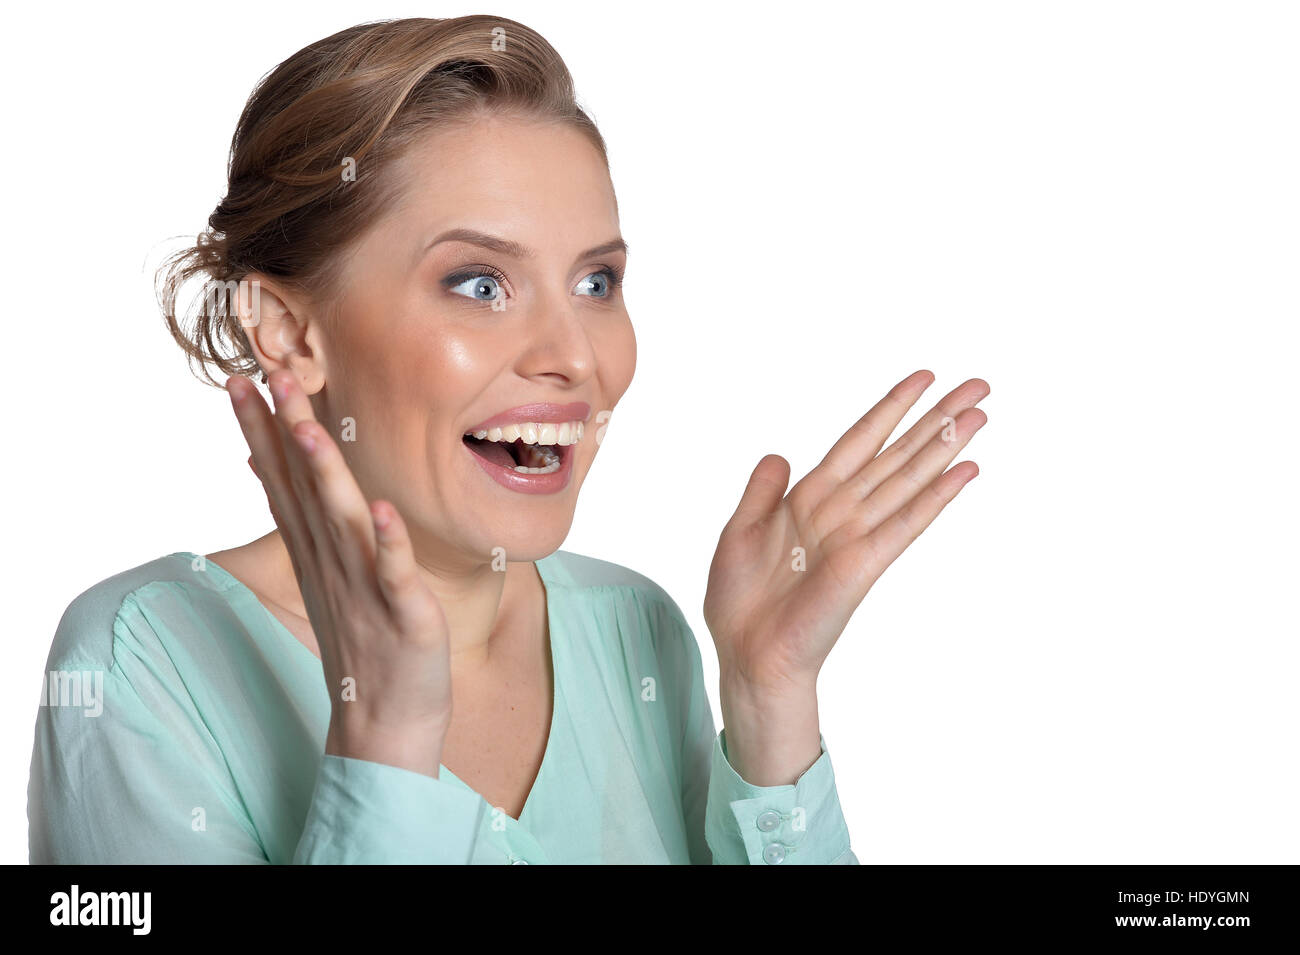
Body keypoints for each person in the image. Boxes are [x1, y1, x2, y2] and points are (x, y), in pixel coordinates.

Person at [28, 15, 988, 864]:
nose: (576, 357)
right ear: (288, 331)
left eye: (596, 283)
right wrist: (387, 743)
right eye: (480, 284)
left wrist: (770, 704)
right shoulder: (140, 662)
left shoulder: (636, 628)